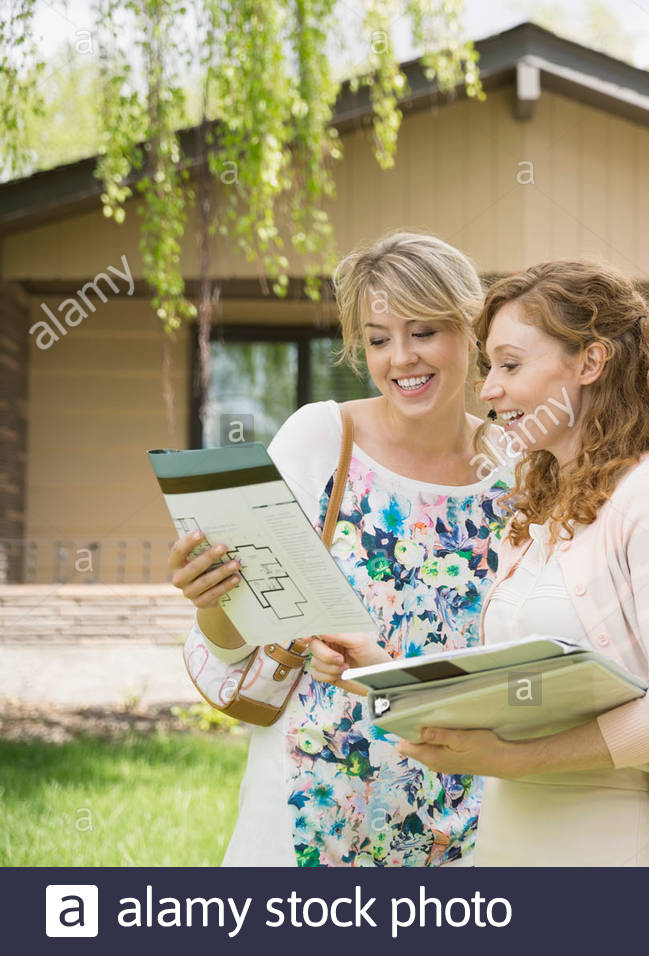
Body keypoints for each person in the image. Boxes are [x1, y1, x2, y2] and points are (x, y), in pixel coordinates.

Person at [166, 232, 510, 866]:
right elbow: (236, 635)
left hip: (462, 805)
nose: (401, 358)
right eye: (379, 339)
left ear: (472, 330)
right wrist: (209, 596)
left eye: (424, 331)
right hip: (312, 794)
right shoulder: (323, 437)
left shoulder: (514, 465)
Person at [394, 260, 649, 866]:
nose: (488, 389)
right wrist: (383, 672)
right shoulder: (537, 513)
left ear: (591, 363)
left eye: (511, 365)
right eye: (489, 366)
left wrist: (513, 760)